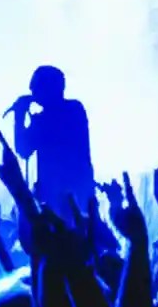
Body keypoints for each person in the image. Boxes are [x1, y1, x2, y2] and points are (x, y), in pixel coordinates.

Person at [8, 65, 95, 216]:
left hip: (69, 193)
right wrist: (20, 118)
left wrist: (20, 116)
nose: (31, 91)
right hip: (62, 194)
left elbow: (23, 149)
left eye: (35, 86)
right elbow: (23, 150)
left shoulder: (71, 110)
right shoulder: (58, 114)